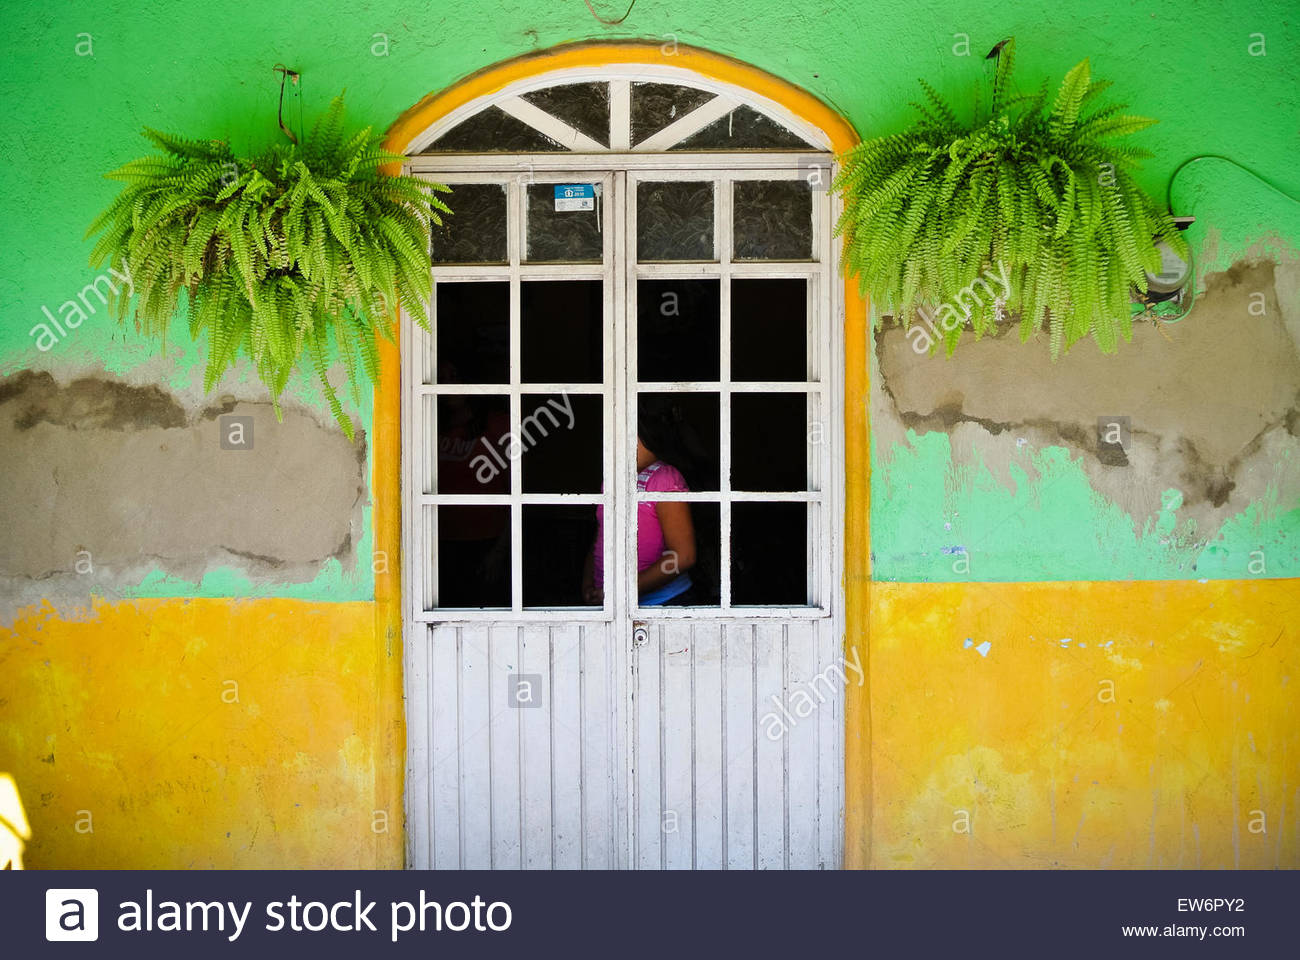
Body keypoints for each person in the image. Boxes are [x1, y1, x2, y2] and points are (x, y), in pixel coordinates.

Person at [583, 406, 699, 606]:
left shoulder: (664, 479)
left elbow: (683, 557)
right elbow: (601, 538)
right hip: (610, 601)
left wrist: (624, 588)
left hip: (662, 603)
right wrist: (588, 585)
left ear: (654, 438)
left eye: (631, 437)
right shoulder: (615, 478)